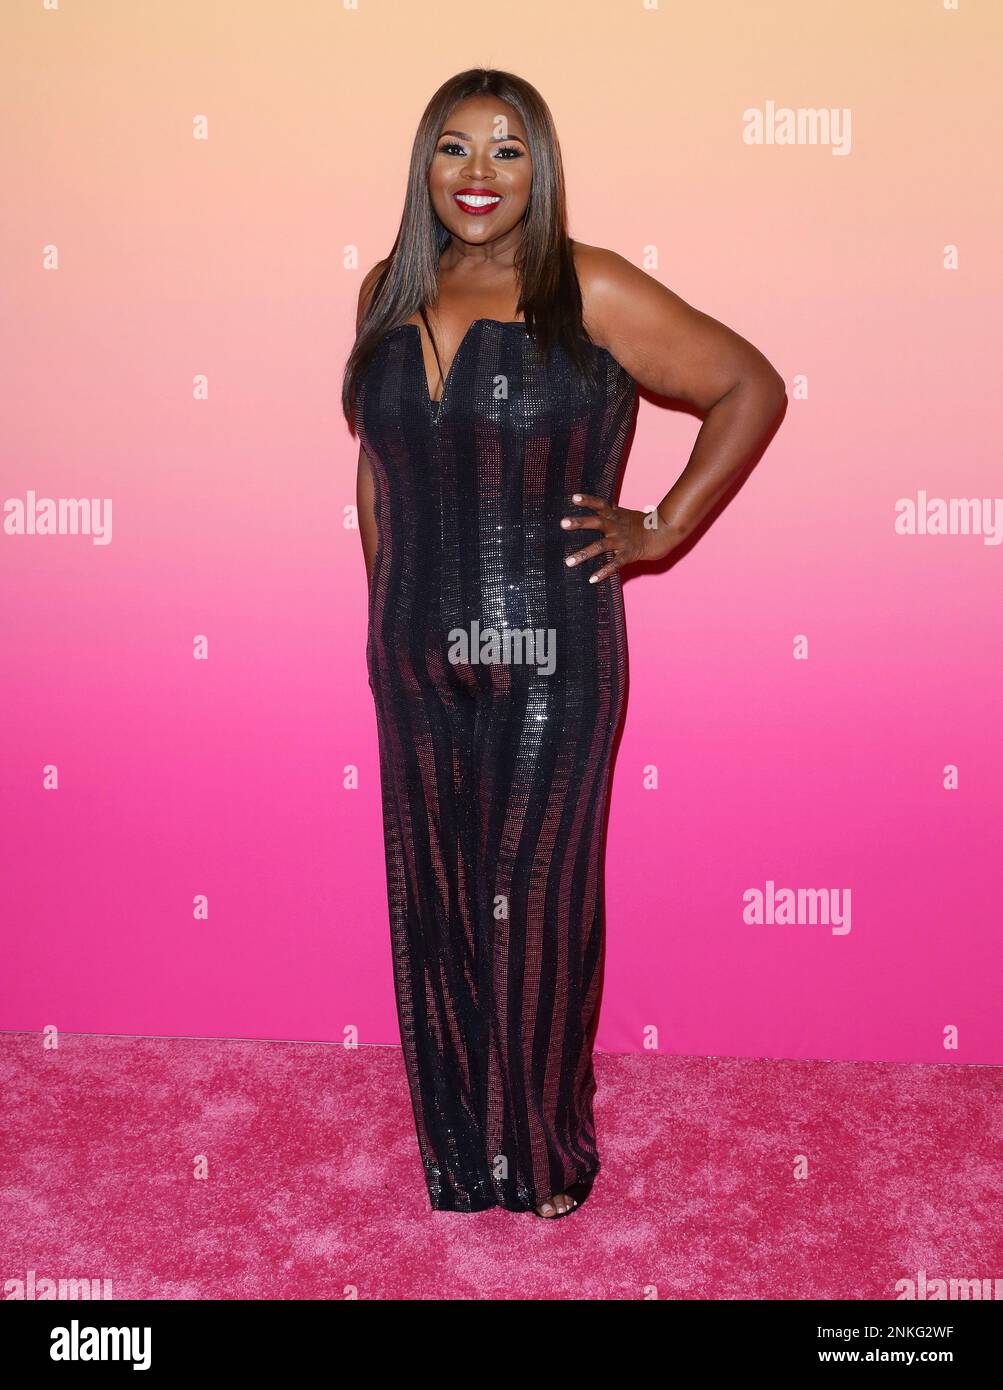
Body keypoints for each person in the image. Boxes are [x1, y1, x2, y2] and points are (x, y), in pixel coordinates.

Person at [342, 68, 786, 1219]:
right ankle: (458, 1150)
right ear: (423, 167)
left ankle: (538, 1157)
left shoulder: (583, 284)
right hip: (411, 654)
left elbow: (747, 383)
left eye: (506, 149)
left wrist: (662, 527)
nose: (478, 174)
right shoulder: (383, 294)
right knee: (435, 893)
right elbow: (377, 472)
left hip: (552, 649)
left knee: (530, 896)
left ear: (539, 166)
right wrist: (385, 609)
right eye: (453, 148)